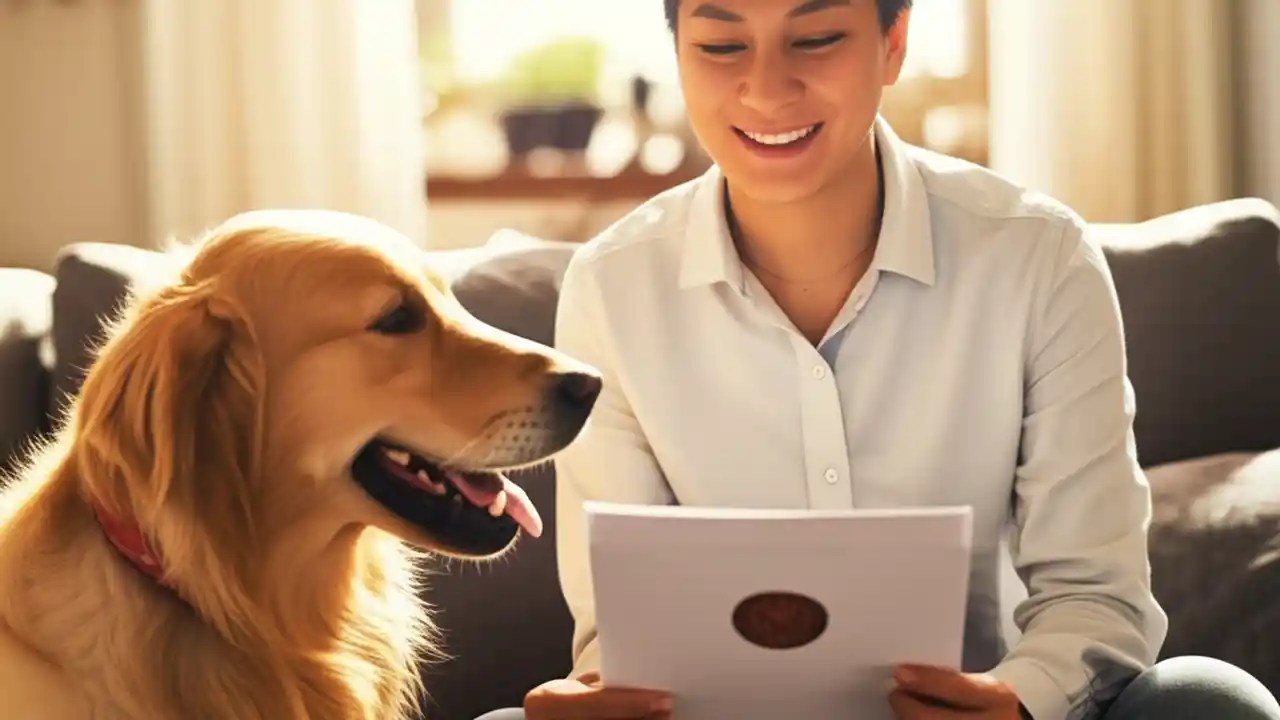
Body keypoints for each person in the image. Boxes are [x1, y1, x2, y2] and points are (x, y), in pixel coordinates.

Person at [478, 1, 1280, 718]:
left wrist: (1016, 702)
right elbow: (625, 631)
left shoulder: (1039, 259)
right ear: (679, 51)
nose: (766, 87)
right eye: (722, 45)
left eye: (817, 38)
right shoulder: (612, 289)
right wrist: (606, 695)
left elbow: (1095, 598)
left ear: (892, 42)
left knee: (1209, 702)